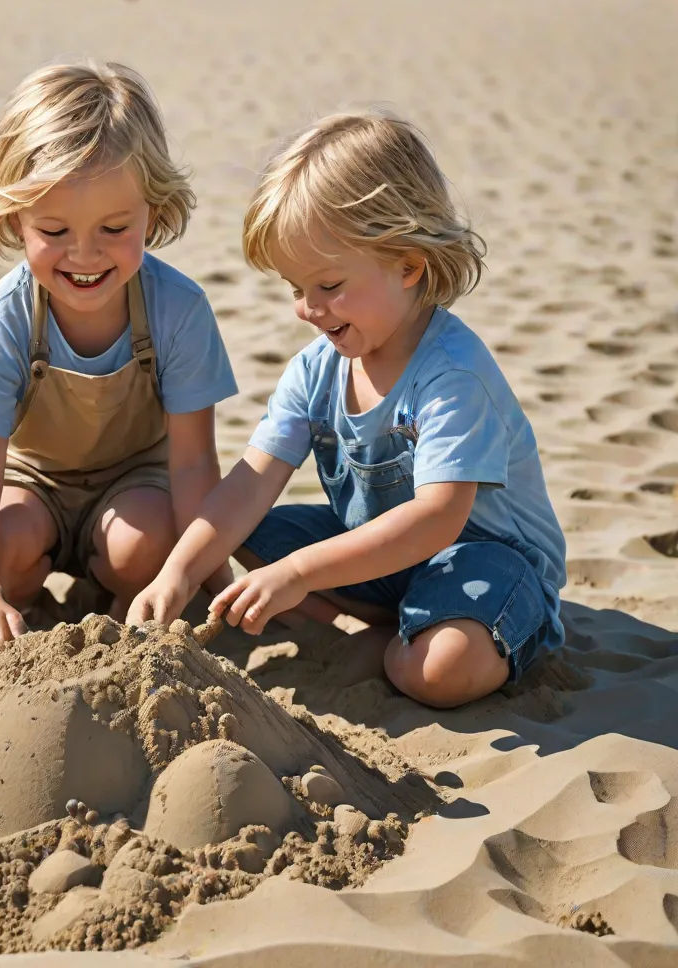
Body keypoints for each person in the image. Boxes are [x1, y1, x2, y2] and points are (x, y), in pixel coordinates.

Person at [128, 112, 567, 709]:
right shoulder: (316, 369)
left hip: (486, 565)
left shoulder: (452, 376)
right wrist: (176, 573)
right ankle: (388, 626)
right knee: (244, 531)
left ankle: (397, 643)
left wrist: (301, 574)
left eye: (329, 285)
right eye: (294, 288)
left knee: (443, 671)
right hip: (381, 557)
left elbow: (438, 520)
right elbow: (250, 483)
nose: (308, 309)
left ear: (408, 264)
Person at [0, 61, 238, 670]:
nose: (84, 254)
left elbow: (194, 461)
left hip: (133, 482)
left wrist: (211, 579)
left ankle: (107, 592)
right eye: (55, 229)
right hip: (24, 480)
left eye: (115, 228)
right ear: (17, 218)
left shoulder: (178, 310)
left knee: (148, 553)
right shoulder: (5, 317)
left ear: (153, 210)